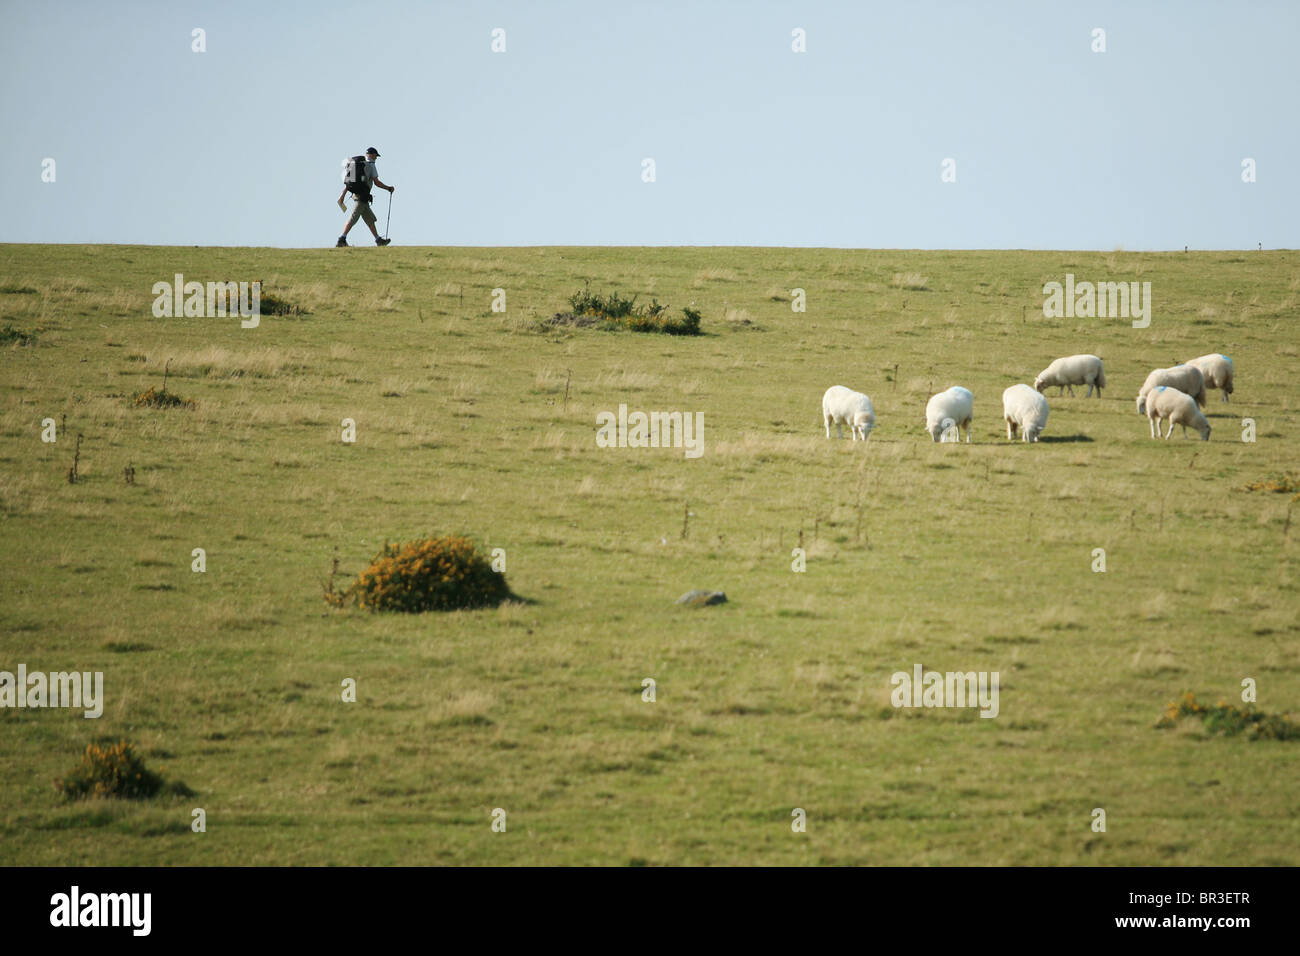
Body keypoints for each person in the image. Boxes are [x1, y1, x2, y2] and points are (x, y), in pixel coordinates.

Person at [336, 147, 394, 247]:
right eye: (376, 156)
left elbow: (348, 184)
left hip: (359, 196)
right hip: (362, 197)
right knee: (353, 218)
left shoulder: (359, 165)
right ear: (371, 155)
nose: (376, 158)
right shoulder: (371, 166)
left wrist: (342, 196)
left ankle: (378, 240)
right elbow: (377, 183)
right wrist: (388, 188)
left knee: (369, 219)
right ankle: (342, 239)